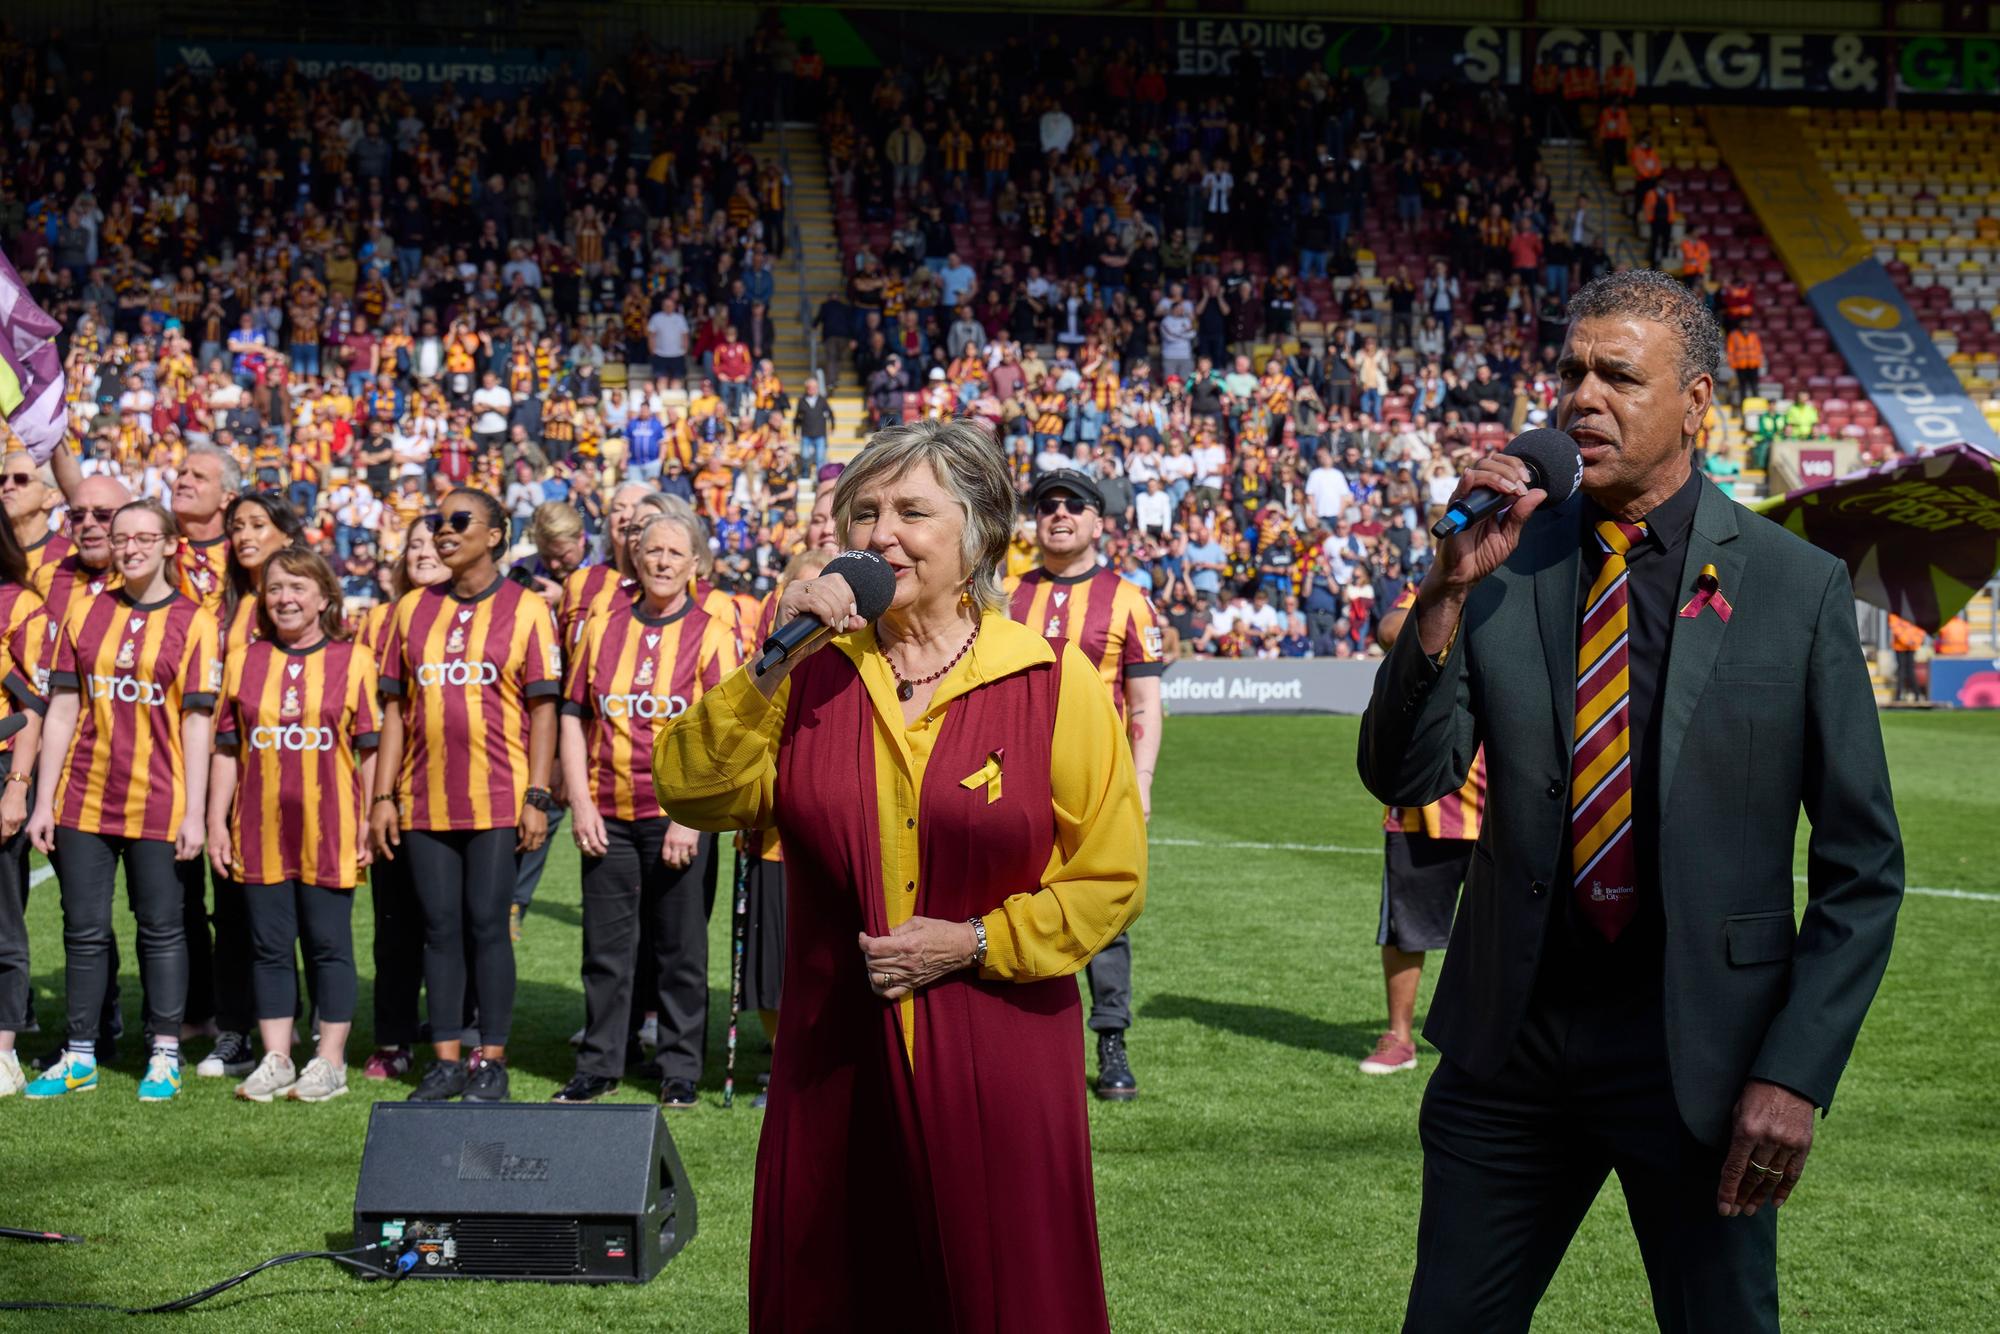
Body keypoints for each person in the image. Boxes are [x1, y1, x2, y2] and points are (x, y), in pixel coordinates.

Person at [1358, 270, 1904, 1330]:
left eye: (1617, 375)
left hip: (1700, 1059)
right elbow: (1403, 774)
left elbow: (1861, 866)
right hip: (1507, 1049)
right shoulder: (1503, 567)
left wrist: (1793, 1072)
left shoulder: (1794, 588)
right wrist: (1444, 591)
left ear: (1697, 401)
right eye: (1570, 371)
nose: (1579, 397)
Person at [655, 420, 1145, 1332]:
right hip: (830, 1055)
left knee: (1004, 1290)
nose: (881, 534)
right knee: (836, 1287)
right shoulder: (809, 673)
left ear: (978, 535)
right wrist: (776, 658)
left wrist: (976, 941)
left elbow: (1109, 874)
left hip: (1001, 1053)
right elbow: (691, 790)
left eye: (912, 511)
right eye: (864, 512)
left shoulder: (1051, 679)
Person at [368, 488, 561, 1105]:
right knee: (439, 929)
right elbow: (394, 711)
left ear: (497, 534)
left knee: (487, 926)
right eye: (436, 521)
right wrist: (383, 796)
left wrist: (536, 794)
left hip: (499, 799)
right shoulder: (408, 611)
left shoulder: (527, 609)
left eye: (458, 521)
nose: (444, 532)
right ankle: (446, 1060)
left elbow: (544, 710)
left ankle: (492, 1059)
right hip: (423, 801)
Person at [25, 500, 220, 1104]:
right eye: (121, 538)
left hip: (160, 800)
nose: (130, 547)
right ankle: (79, 1052)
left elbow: (196, 722)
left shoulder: (196, 621)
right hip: (84, 797)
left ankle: (165, 1051)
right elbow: (62, 709)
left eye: (144, 538)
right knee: (83, 930)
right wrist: (43, 801)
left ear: (169, 546)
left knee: (161, 928)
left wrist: (193, 809)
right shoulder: (82, 613)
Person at [554, 509, 739, 1107]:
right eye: (652, 550)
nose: (661, 562)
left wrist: (690, 815)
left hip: (676, 816)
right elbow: (573, 713)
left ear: (695, 565)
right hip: (608, 809)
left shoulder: (711, 630)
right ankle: (600, 1063)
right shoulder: (604, 627)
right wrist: (580, 801)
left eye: (673, 554)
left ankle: (680, 1068)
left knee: (679, 948)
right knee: (605, 950)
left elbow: (726, 729)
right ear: (636, 557)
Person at [1006, 469, 1165, 1100]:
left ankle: (1111, 1039)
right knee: (1012, 903)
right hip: (1013, 781)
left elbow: (1145, 703)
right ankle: (1022, 1042)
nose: (1060, 513)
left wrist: (1143, 781)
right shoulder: (1006, 596)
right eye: (1048, 505)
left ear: (1100, 522)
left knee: (1104, 914)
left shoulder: (1128, 598)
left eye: (1074, 505)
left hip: (1098, 785)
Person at [206, 549, 378, 1104]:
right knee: (268, 946)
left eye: (298, 587)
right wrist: (216, 820)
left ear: (324, 598)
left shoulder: (354, 661)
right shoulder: (244, 661)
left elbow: (369, 749)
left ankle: (330, 1061)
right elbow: (227, 750)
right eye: (276, 588)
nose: (285, 598)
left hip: (332, 826)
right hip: (258, 826)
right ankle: (276, 1056)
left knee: (329, 945)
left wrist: (371, 818)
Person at [190, 491, 307, 1081]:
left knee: (307, 908)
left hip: (302, 776)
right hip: (233, 772)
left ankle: (299, 1028)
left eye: (258, 525)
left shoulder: (305, 602)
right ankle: (236, 1029)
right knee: (233, 908)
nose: (243, 536)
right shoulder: (222, 605)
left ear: (288, 533)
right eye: (236, 527)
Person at [1359, 584, 1483, 1077]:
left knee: (1515, 931)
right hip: (1423, 799)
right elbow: (1391, 627)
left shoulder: (1542, 579)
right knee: (1406, 928)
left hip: (1513, 798)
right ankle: (1399, 1036)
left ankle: (1498, 1035)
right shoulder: (1450, 578)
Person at [355, 516, 448, 1081]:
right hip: (392, 793)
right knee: (394, 927)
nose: (423, 552)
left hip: (460, 798)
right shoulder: (378, 622)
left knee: (453, 926)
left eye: (434, 544)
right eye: (414, 544)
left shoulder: (478, 618)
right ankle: (392, 1039)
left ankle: (454, 1034)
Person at [0, 516, 50, 1098]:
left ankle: (6, 1049)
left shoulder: (20, 606)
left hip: (2, 763)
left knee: (3, 916)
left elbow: (32, 702)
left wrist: (18, 782)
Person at [0, 451, 72, 588]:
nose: (7, 487)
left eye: (21, 479)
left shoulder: (70, 557)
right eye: (2, 480)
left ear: (51, 497)